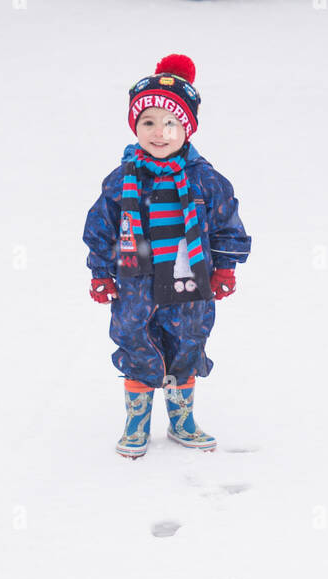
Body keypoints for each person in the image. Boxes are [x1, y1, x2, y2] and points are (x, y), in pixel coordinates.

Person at [83, 53, 251, 457]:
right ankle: (137, 421)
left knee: (186, 344)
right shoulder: (122, 179)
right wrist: (101, 272)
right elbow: (100, 227)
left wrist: (224, 268)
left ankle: (182, 419)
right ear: (135, 126)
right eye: (149, 122)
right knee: (136, 342)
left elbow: (227, 223)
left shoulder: (205, 179)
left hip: (188, 280)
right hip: (135, 284)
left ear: (187, 128)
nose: (160, 133)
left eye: (171, 123)